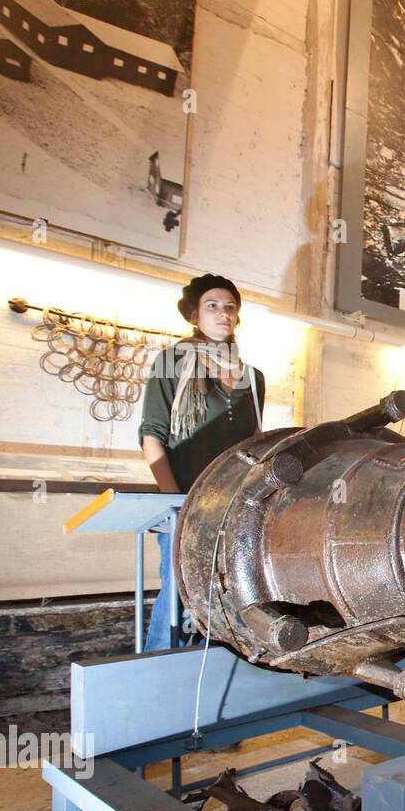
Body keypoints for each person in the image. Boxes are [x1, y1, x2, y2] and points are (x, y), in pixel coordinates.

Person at [138, 274, 265, 651]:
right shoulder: (171, 363)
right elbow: (152, 435)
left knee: (233, 591)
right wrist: (175, 503)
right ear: (195, 315)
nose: (223, 313)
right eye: (212, 306)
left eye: (230, 307)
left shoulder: (253, 378)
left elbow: (255, 444)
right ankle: (157, 669)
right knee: (178, 595)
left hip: (232, 507)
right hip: (185, 503)